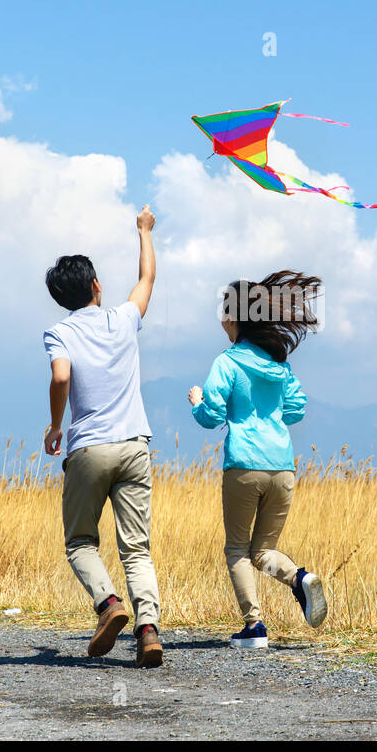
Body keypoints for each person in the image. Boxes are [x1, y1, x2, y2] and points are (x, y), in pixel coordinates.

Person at [42, 205, 162, 668]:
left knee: (80, 543)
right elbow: (147, 277)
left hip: (88, 448)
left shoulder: (60, 332)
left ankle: (110, 605)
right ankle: (148, 630)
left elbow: (60, 378)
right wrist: (143, 231)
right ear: (96, 286)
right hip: (134, 445)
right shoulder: (123, 318)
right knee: (137, 548)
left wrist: (55, 426)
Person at [188, 270, 328, 649]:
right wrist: (269, 417)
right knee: (262, 551)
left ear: (234, 318)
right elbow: (297, 408)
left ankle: (254, 628)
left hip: (244, 466)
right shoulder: (279, 365)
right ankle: (299, 579)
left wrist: (198, 403)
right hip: (283, 466)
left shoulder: (227, 362)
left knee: (237, 549)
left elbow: (212, 416)